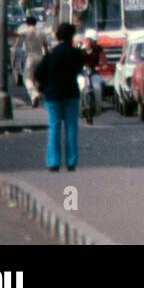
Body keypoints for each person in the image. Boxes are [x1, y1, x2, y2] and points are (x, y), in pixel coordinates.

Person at [33, 22, 85, 172]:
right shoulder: (75, 53)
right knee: (71, 128)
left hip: (53, 95)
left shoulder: (52, 54)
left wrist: (43, 87)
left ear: (57, 36)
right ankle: (71, 162)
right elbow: (79, 68)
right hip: (71, 93)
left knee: (54, 127)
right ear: (72, 36)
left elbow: (38, 74)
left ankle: (53, 162)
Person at [16, 16, 48, 107]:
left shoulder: (26, 31)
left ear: (27, 23)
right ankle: (37, 96)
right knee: (38, 79)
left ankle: (34, 95)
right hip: (40, 57)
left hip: (30, 57)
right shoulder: (41, 32)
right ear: (35, 23)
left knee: (27, 78)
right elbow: (45, 47)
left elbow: (16, 35)